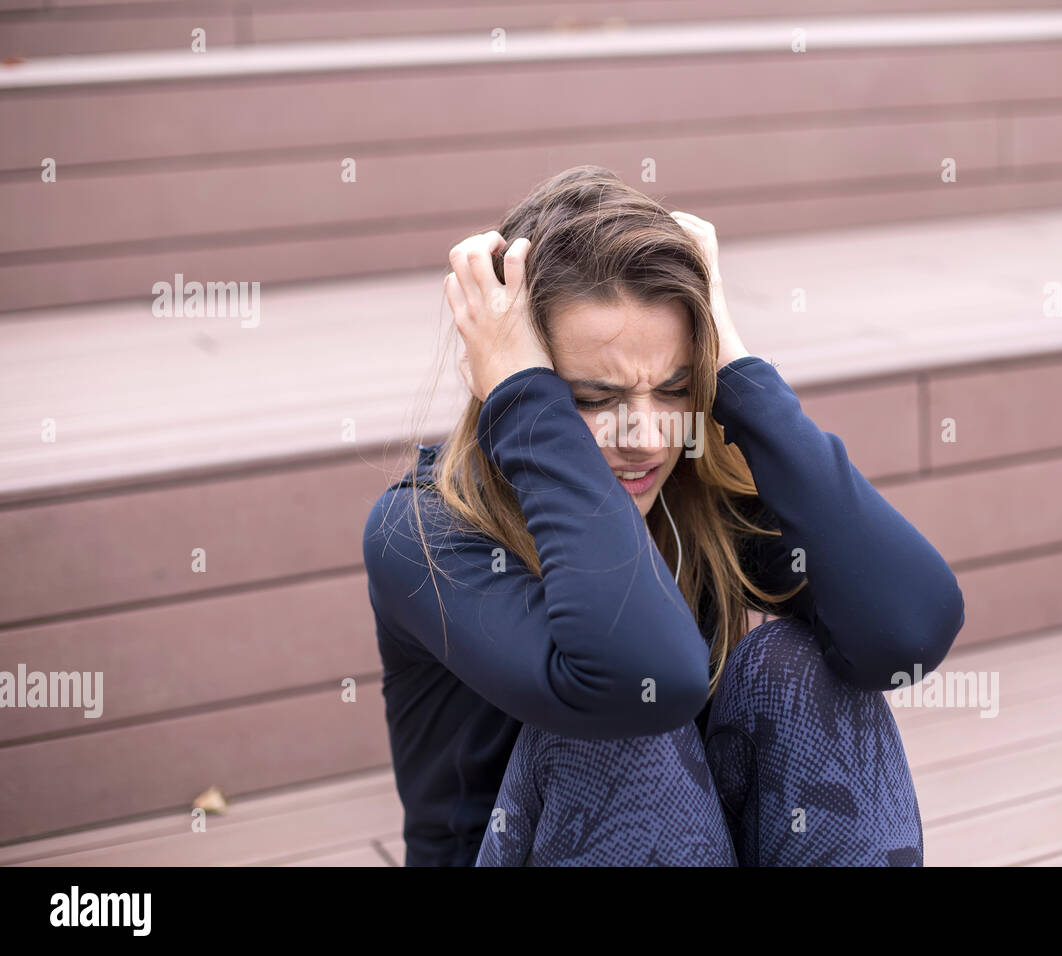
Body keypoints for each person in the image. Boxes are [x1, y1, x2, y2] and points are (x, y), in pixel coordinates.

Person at [361, 165, 965, 866]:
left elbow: (907, 630)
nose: (647, 438)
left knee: (795, 665)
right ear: (507, 379)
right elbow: (642, 676)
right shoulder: (425, 532)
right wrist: (529, 409)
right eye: (591, 398)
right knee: (622, 707)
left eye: (675, 387)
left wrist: (733, 361)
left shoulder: (691, 495)